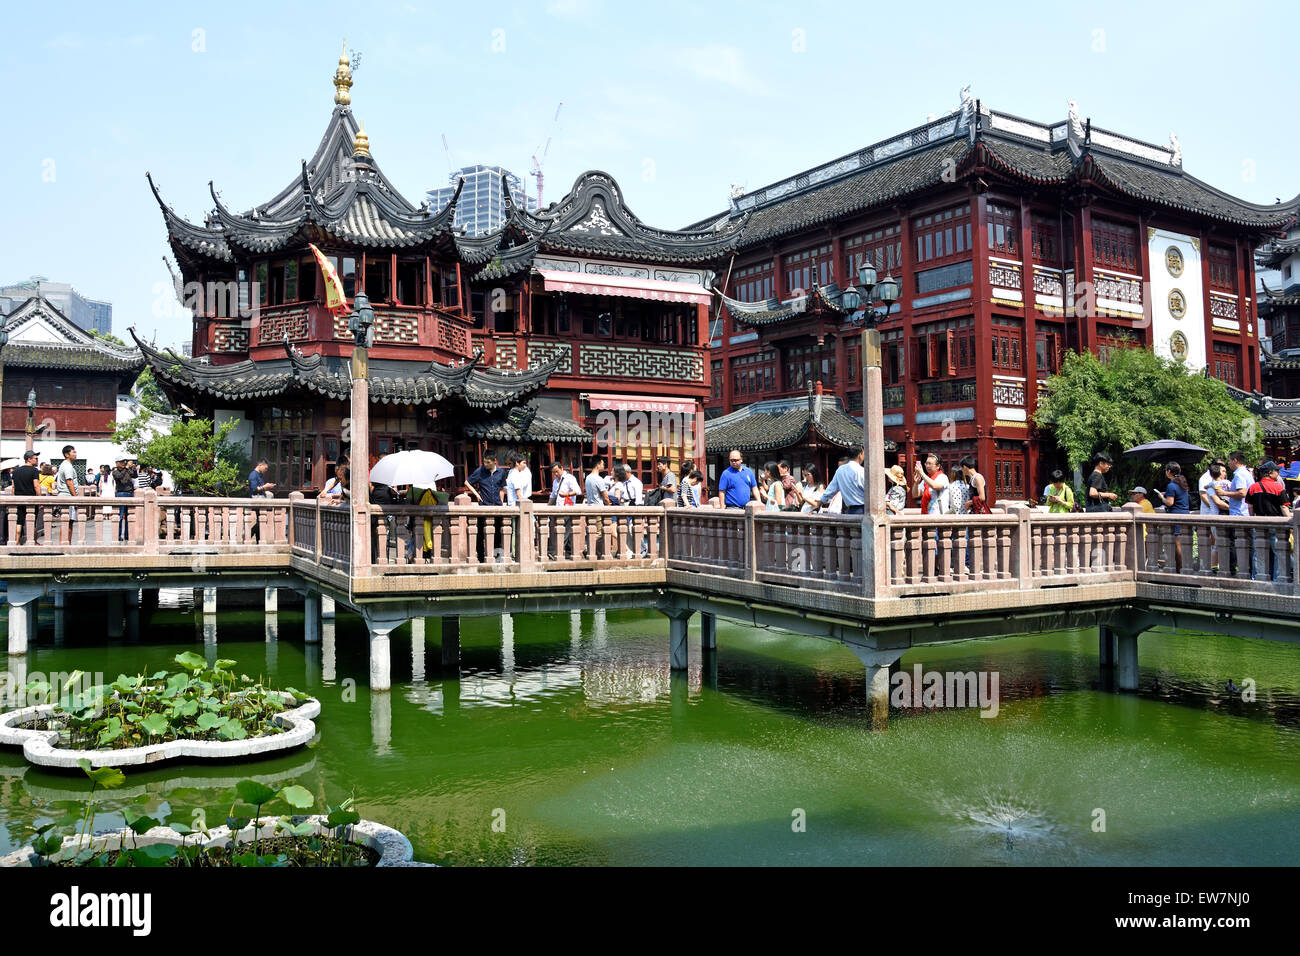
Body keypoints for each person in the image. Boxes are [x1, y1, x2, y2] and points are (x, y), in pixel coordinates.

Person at [1245, 460, 1292, 582]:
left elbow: (1250, 507)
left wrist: (1253, 520)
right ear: (1270, 472)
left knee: (1258, 552)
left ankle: (1257, 577)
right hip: (1275, 523)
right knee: (1278, 552)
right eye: (1277, 471)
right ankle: (1277, 579)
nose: (1278, 474)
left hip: (1259, 523)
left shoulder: (1253, 487)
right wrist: (1289, 523)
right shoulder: (1278, 487)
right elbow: (1283, 507)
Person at [821, 446, 866, 515]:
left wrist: (820, 502)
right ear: (860, 455)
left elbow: (830, 490)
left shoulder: (840, 470)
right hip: (863, 509)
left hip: (851, 510)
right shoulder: (861, 471)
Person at [12, 450, 41, 545]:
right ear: (29, 459)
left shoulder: (16, 471)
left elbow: (13, 487)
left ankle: (16, 541)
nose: (37, 460)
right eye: (35, 459)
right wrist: (40, 499)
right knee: (32, 521)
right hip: (31, 500)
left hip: (18, 500)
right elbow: (36, 485)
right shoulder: (34, 471)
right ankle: (33, 541)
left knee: (19, 522)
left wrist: (13, 499)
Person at [55, 444, 80, 529]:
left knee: (68, 523)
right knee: (67, 524)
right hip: (67, 496)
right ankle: (65, 542)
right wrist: (75, 498)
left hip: (67, 496)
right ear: (67, 454)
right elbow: (69, 482)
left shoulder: (66, 465)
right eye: (73, 452)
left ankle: (66, 542)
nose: (75, 454)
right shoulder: (67, 466)